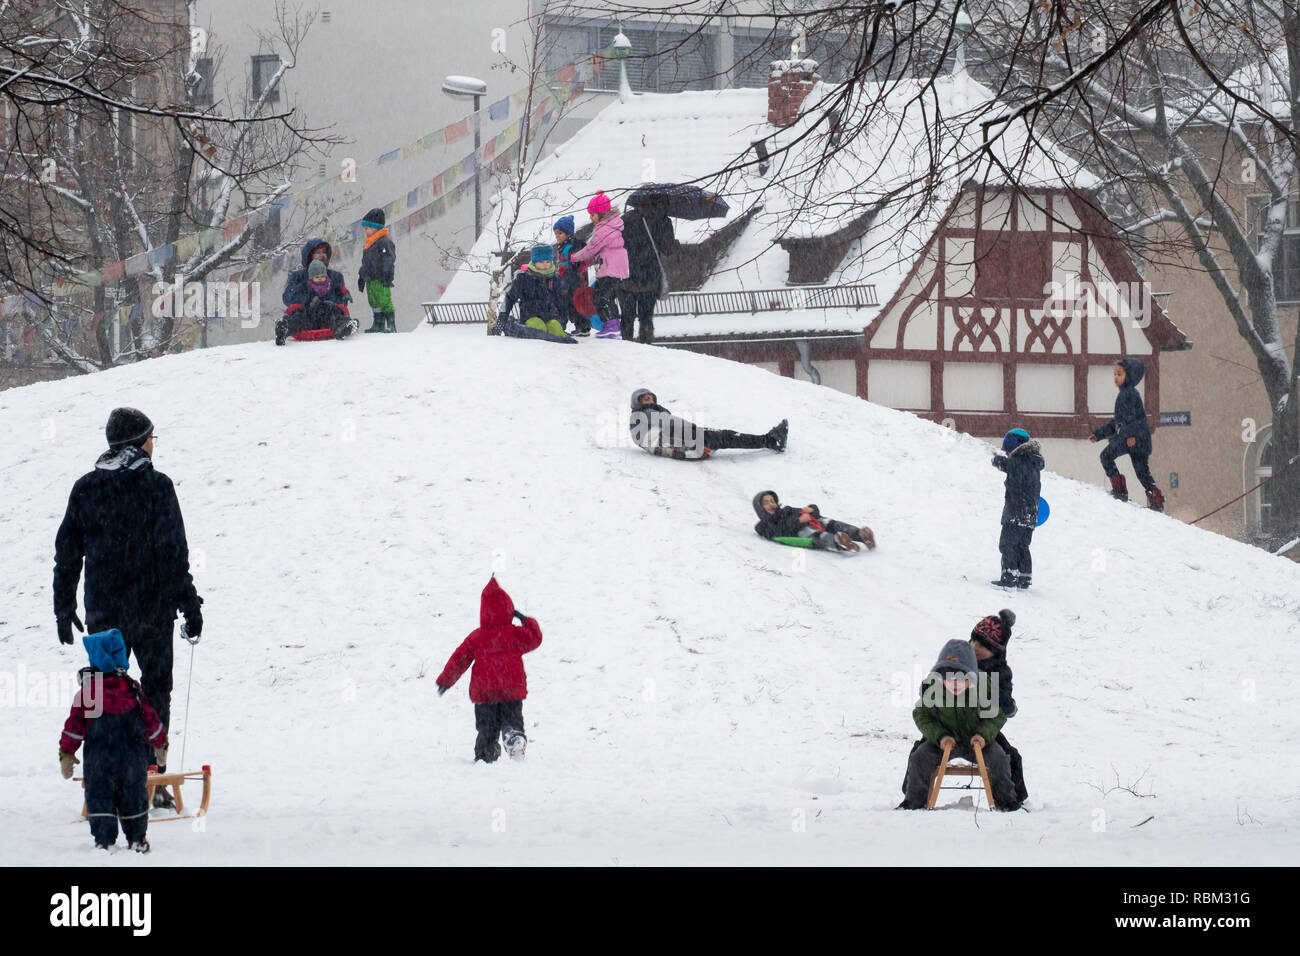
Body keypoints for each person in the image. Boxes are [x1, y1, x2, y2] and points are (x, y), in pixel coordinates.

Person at [54, 407, 202, 808]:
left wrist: (63, 603)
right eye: (152, 438)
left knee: (103, 694)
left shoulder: (86, 488)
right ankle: (150, 780)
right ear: (138, 442)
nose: (155, 445)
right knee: (155, 690)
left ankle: (109, 775)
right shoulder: (157, 487)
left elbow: (67, 552)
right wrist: (189, 604)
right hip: (152, 611)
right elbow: (174, 554)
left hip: (104, 614)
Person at [60, 629, 167, 852]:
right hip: (131, 758)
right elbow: (150, 718)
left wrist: (67, 753)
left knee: (100, 797)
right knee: (134, 796)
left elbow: (75, 726)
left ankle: (104, 840)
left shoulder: (91, 692)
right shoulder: (132, 688)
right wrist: (160, 742)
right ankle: (137, 838)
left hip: (100, 760)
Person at [898, 639, 1020, 811]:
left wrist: (983, 735)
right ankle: (913, 802)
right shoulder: (933, 688)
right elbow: (921, 714)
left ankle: (1006, 802)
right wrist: (939, 735)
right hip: (944, 741)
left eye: (961, 679)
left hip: (977, 740)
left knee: (999, 759)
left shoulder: (984, 686)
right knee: (920, 758)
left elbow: (997, 715)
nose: (955, 683)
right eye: (949, 679)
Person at [436, 577, 543, 764]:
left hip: (485, 692)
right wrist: (525, 619)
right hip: (511, 689)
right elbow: (536, 638)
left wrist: (446, 680)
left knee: (487, 728)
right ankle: (513, 737)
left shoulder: (477, 637)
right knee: (512, 720)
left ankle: (485, 757)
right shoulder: (515, 633)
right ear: (508, 608)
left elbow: (459, 659)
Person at [969, 609, 1028, 803]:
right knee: (920, 752)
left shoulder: (1001, 673)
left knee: (1010, 757)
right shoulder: (958, 660)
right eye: (973, 641)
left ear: (995, 650)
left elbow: (1006, 708)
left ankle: (1014, 800)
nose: (974, 647)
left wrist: (1004, 701)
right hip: (950, 727)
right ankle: (913, 797)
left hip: (985, 730)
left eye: (982, 645)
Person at [629, 388, 787, 460]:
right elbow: (659, 446)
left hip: (693, 435)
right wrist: (692, 450)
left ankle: (770, 440)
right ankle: (771, 441)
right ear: (637, 403)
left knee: (727, 436)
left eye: (651, 398)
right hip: (694, 442)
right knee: (727, 437)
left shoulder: (653, 415)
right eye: (645, 399)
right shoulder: (640, 420)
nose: (650, 402)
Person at [1090, 358, 1164, 511]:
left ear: (1129, 376)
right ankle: (1155, 500)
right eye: (1115, 374)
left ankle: (1121, 491)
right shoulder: (1125, 394)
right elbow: (1116, 423)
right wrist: (1098, 435)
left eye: (1119, 374)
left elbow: (1132, 419)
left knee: (1108, 457)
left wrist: (1131, 436)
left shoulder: (1129, 394)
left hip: (1134, 439)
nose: (1115, 377)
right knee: (1141, 471)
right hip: (1136, 439)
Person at [570, 192, 628, 340]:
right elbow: (600, 251)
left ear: (601, 213)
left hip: (609, 268)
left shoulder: (604, 230)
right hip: (615, 267)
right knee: (604, 296)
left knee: (602, 297)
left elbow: (592, 248)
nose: (591, 218)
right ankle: (612, 326)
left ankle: (612, 327)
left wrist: (575, 257)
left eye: (593, 215)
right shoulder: (612, 226)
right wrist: (588, 262)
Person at [618, 198, 677, 344]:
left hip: (627, 275)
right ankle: (646, 348)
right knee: (646, 318)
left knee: (626, 316)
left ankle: (626, 347)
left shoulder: (626, 219)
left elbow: (617, 244)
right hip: (649, 277)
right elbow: (668, 250)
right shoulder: (662, 221)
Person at [991, 427, 1043, 589]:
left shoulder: (1020, 460)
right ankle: (1024, 577)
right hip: (1031, 512)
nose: (1006, 454)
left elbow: (1011, 465)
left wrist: (998, 461)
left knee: (1008, 544)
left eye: (1007, 451)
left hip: (1017, 511)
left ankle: (1009, 576)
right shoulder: (1033, 460)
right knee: (1022, 545)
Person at [277, 238, 354, 344]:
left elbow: (341, 302)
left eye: (324, 252)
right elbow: (287, 298)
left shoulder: (335, 276)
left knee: (335, 314)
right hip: (306, 317)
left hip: (327, 317)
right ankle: (284, 330)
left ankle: (345, 327)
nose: (322, 255)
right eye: (318, 252)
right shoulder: (297, 276)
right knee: (297, 317)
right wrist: (308, 299)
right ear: (309, 256)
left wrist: (330, 301)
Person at [492, 245, 573, 341]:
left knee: (556, 329)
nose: (545, 264)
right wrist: (502, 317)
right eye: (541, 261)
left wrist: (562, 320)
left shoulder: (555, 279)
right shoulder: (523, 278)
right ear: (534, 262)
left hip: (551, 316)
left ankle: (555, 350)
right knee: (538, 329)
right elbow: (509, 298)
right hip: (530, 316)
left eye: (548, 261)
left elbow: (562, 302)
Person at [751, 490, 875, 552]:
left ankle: (860, 535)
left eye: (772, 501)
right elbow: (778, 532)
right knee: (812, 533)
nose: (771, 504)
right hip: (799, 530)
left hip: (811, 521)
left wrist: (811, 509)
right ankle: (840, 542)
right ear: (760, 509)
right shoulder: (762, 526)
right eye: (766, 503)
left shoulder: (786, 510)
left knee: (830, 523)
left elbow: (805, 511)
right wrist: (799, 521)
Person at [357, 207, 397, 334]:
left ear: (376, 227)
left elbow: (389, 259)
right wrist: (362, 276)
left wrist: (387, 274)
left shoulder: (384, 242)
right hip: (370, 279)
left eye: (367, 227)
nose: (365, 230)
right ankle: (378, 323)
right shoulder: (369, 244)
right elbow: (365, 262)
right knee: (374, 301)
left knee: (384, 300)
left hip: (381, 278)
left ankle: (391, 324)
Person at [552, 215, 589, 335]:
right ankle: (569, 326)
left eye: (560, 233)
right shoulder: (563, 246)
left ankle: (582, 327)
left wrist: (570, 279)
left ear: (568, 233)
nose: (557, 236)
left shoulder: (573, 246)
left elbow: (575, 265)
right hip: (566, 280)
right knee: (568, 305)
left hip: (574, 281)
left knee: (575, 304)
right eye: (556, 233)